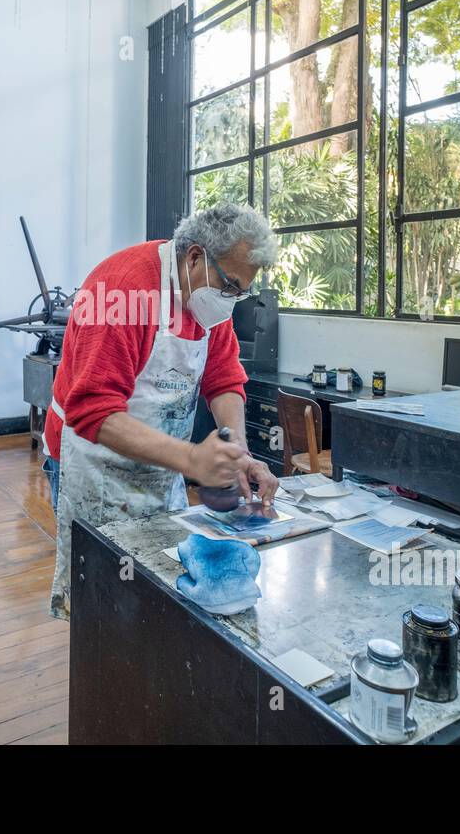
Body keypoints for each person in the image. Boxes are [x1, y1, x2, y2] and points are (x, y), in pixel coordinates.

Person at [42, 204, 280, 619]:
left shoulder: (208, 303)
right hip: (94, 467)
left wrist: (237, 451)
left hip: (158, 464)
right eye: (231, 287)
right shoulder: (120, 290)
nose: (233, 301)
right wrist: (191, 459)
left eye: (241, 292)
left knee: (152, 593)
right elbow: (93, 411)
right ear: (194, 258)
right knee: (101, 603)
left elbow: (224, 378)